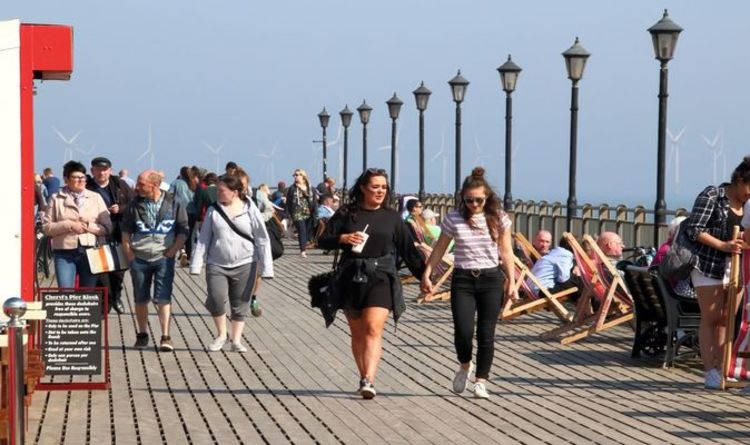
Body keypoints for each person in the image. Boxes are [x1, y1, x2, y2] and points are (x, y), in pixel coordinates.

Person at [317, 168, 424, 399]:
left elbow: (409, 251)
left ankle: (369, 380)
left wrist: (425, 277)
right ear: (363, 188)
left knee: (373, 328)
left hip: (382, 276)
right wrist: (341, 239)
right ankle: (363, 375)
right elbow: (322, 240)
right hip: (351, 275)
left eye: (383, 187)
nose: (380, 191)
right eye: (375, 187)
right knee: (357, 332)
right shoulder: (347, 213)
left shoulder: (392, 217)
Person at [421, 167, 516, 400]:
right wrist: (427, 273)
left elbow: (506, 251)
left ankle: (481, 380)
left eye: (479, 200)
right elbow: (441, 247)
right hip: (463, 279)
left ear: (488, 198)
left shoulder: (499, 218)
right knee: (463, 331)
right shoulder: (453, 218)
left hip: (491, 278)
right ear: (462, 198)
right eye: (469, 200)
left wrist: (512, 281)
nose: (474, 204)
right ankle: (465, 364)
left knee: (486, 333)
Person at [685, 157, 750, 390]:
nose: (748, 195)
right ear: (740, 180)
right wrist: (722, 245)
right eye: (748, 189)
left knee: (727, 319)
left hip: (736, 265)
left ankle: (725, 367)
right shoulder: (713, 195)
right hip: (708, 264)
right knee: (711, 318)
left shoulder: (748, 205)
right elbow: (694, 228)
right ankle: (709, 369)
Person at [190, 174, 273, 352]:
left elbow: (262, 238)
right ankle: (221, 334)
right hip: (216, 262)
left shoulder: (250, 208)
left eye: (221, 191)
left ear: (234, 192)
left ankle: (236, 340)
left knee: (240, 302)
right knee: (216, 298)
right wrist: (196, 265)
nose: (218, 193)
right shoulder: (213, 209)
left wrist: (267, 268)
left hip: (246, 262)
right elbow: (204, 238)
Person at [121, 170, 189, 352]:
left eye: (141, 184)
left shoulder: (174, 202)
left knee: (163, 297)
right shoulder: (134, 205)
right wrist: (129, 255)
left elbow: (183, 229)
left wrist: (173, 250)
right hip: (140, 257)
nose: (137, 187)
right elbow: (126, 231)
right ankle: (142, 334)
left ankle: (165, 336)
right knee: (140, 297)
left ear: (154, 185)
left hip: (163, 257)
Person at [43, 160, 112, 288]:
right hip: (64, 253)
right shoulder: (55, 198)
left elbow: (108, 227)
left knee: (88, 294)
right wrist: (69, 225)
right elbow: (47, 228)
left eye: (83, 177)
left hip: (91, 251)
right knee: (65, 292)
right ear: (66, 179)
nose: (80, 181)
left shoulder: (95, 197)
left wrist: (89, 226)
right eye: (75, 177)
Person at [86, 156, 134, 313]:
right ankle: (105, 305)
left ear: (110, 170)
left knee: (119, 271)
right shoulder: (87, 186)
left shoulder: (120, 184)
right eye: (98, 170)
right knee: (101, 271)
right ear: (92, 170)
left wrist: (120, 208)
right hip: (97, 233)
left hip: (118, 231)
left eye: (104, 170)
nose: (101, 173)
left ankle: (116, 296)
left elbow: (134, 203)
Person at [286, 169, 316, 258]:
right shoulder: (292, 188)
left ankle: (304, 245)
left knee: (306, 231)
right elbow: (288, 202)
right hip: (297, 212)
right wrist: (288, 215)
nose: (295, 176)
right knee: (302, 230)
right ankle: (302, 250)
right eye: (294, 175)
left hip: (308, 211)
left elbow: (314, 202)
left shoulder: (310, 188)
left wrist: (315, 212)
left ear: (303, 176)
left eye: (297, 175)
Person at [170, 167, 196, 266]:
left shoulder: (176, 183)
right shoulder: (193, 183)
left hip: (179, 210)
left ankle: (182, 250)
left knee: (179, 232)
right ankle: (189, 257)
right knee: (190, 234)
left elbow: (169, 195)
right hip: (192, 211)